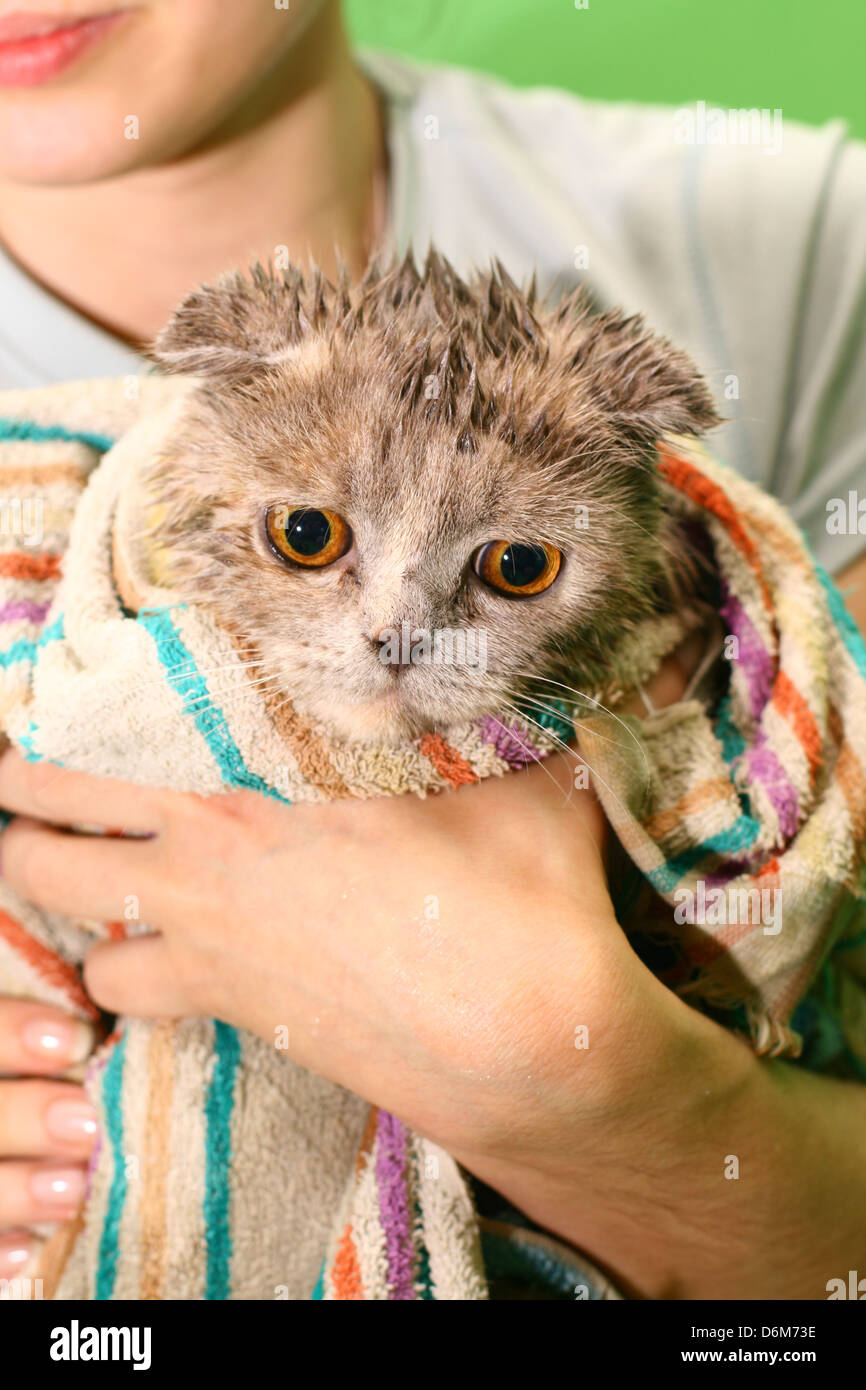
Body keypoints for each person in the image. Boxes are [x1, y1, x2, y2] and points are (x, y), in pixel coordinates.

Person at [0, 0, 864, 1299]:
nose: (390, 638)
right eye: (306, 535)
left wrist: (602, 1088)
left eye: (515, 567)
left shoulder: (794, 247)